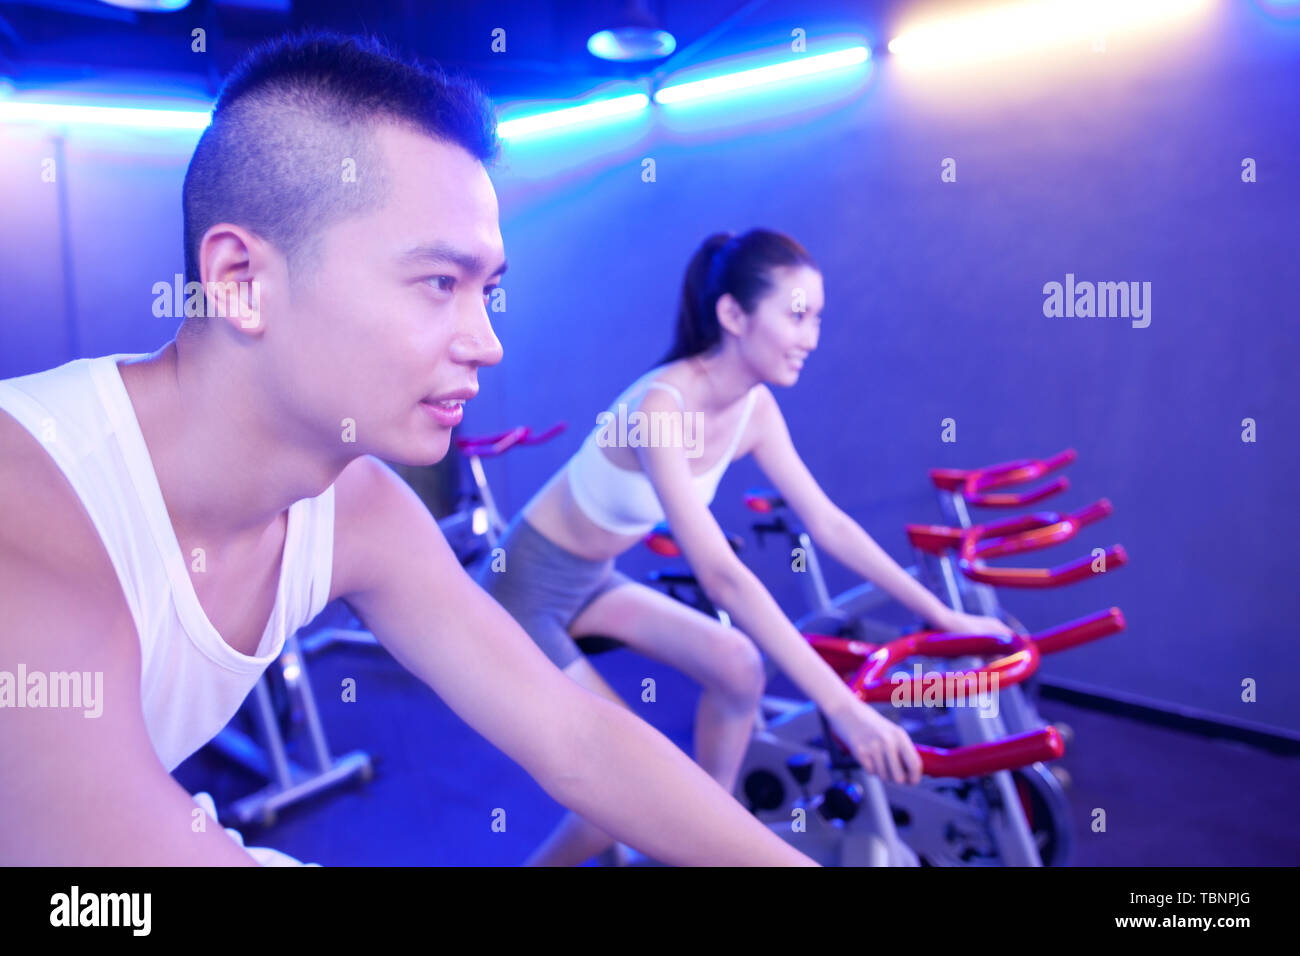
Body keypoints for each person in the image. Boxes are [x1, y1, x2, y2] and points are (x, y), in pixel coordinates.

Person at [0, 32, 816, 867]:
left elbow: (575, 738)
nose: (487, 343)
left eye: (487, 292)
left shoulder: (359, 506)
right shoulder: (28, 506)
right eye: (439, 283)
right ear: (241, 280)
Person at [479, 228, 1013, 866]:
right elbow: (720, 577)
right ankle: (674, 829)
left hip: (594, 578)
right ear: (732, 314)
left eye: (817, 317)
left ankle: (702, 834)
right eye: (796, 315)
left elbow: (830, 524)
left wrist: (944, 615)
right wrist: (843, 708)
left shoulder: (755, 409)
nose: (811, 337)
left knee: (739, 666)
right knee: (627, 783)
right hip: (523, 591)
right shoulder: (663, 406)